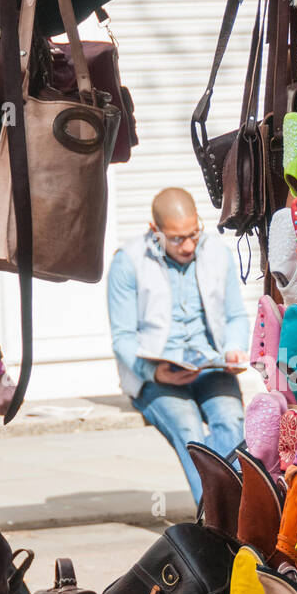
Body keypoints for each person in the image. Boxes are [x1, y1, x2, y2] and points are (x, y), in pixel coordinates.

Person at [107, 187, 249, 505]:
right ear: (154, 231)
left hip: (210, 365)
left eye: (193, 234)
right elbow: (123, 337)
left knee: (230, 420)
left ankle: (237, 510)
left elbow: (236, 316)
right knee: (188, 427)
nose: (187, 246)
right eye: (176, 239)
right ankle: (213, 518)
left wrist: (235, 348)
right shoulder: (128, 262)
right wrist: (154, 372)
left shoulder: (217, 252)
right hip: (156, 373)